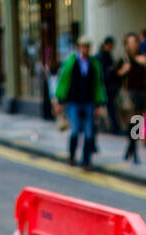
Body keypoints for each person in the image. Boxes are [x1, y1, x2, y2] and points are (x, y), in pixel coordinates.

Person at [53, 35, 106, 169]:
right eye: (83, 46)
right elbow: (64, 82)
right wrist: (60, 101)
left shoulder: (94, 63)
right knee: (75, 130)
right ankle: (71, 156)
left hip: (89, 102)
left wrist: (99, 103)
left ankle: (86, 161)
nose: (86, 49)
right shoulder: (71, 62)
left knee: (89, 132)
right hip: (73, 102)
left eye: (88, 46)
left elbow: (98, 85)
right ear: (79, 47)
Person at [118, 31, 146, 164]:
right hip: (128, 95)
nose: (132, 45)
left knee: (137, 124)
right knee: (132, 123)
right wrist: (123, 71)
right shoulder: (123, 59)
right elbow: (113, 76)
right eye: (129, 43)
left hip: (140, 94)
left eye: (134, 42)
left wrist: (145, 64)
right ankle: (133, 151)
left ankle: (131, 149)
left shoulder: (143, 57)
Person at [97, 35, 122, 134]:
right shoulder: (104, 56)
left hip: (115, 88)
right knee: (112, 109)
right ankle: (134, 135)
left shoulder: (105, 55)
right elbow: (106, 73)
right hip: (111, 88)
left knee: (116, 110)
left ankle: (134, 135)